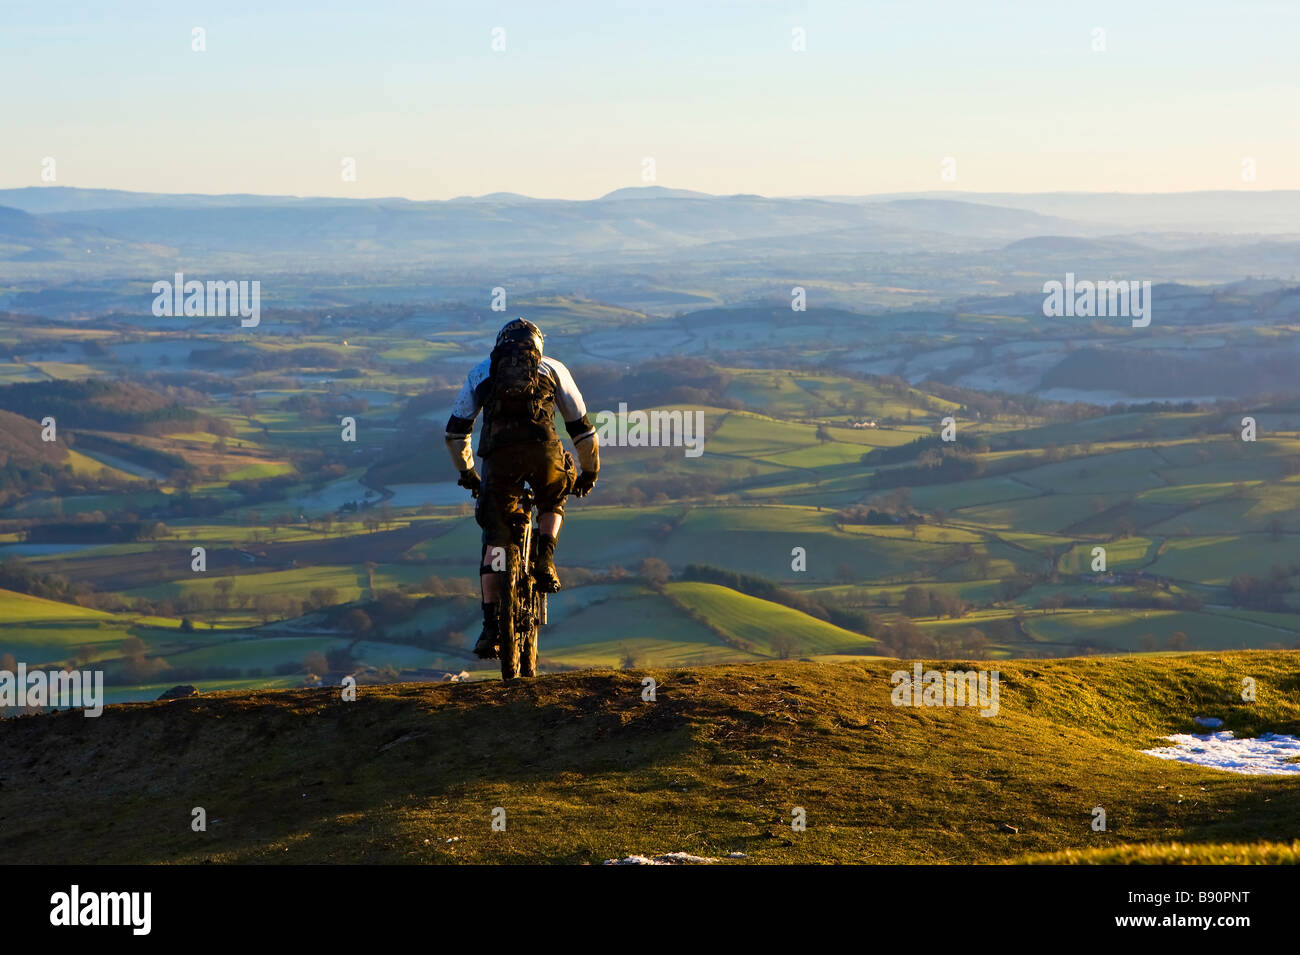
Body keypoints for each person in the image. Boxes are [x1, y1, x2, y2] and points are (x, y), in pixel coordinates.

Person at [444, 318, 600, 658]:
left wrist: (468, 472)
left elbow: (455, 433)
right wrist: (588, 472)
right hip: (543, 454)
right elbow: (583, 431)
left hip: (499, 461)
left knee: (494, 541)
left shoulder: (481, 372)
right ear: (537, 345)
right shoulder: (553, 368)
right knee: (552, 494)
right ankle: (545, 558)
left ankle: (490, 629)